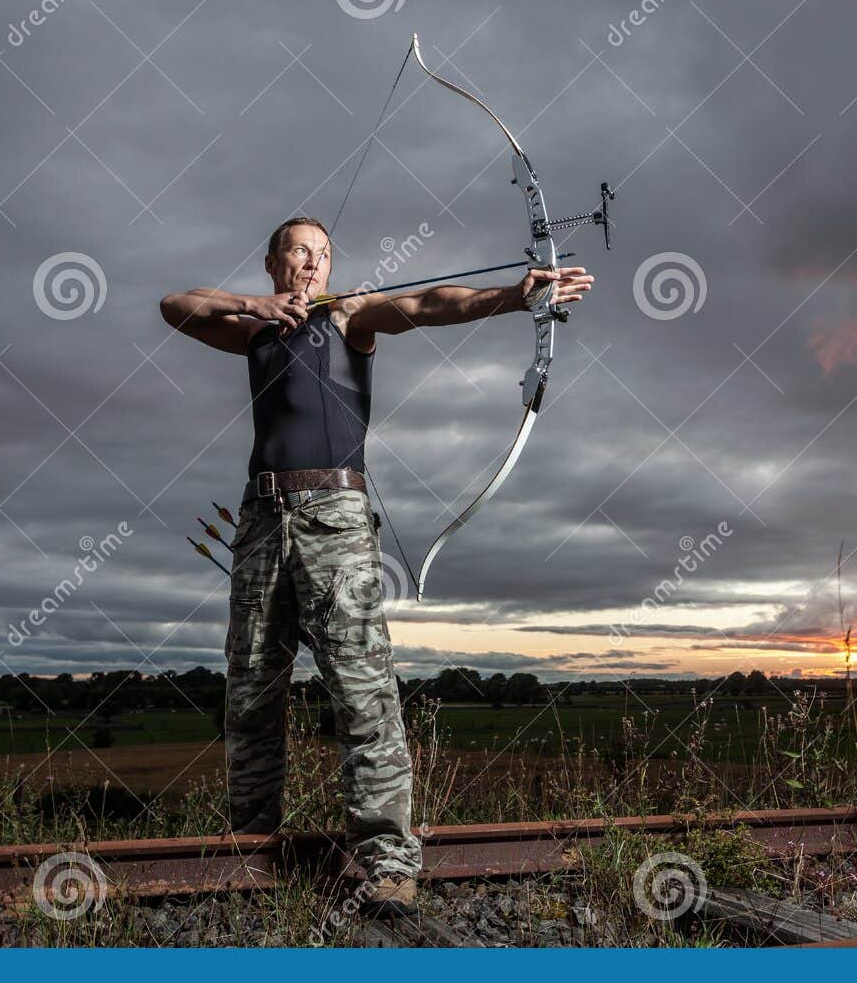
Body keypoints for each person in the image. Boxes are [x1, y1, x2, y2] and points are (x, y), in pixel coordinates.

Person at [159, 216, 593, 906]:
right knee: (250, 692)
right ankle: (251, 850)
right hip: (262, 518)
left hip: (335, 516)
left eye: (323, 254)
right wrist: (256, 306)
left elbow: (426, 305)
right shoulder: (256, 331)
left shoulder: (349, 317)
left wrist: (512, 296)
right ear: (273, 263)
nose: (312, 263)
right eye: (299, 251)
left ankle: (389, 858)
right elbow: (177, 305)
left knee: (361, 690)